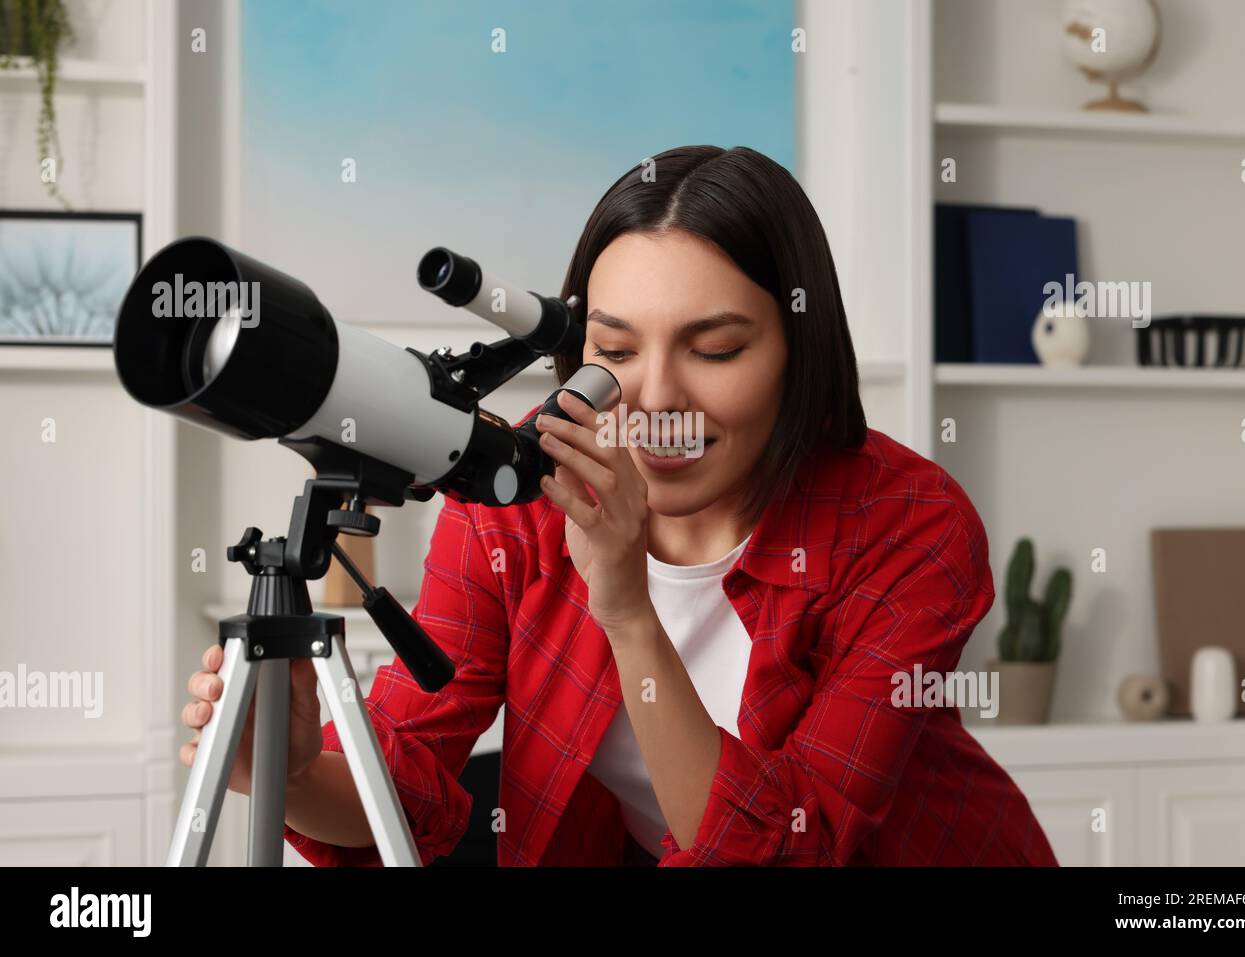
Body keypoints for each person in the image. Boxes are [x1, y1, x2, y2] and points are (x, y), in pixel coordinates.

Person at [180, 145, 1059, 867]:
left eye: (715, 349)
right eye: (615, 349)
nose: (658, 398)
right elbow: (404, 782)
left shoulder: (907, 521)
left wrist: (628, 606)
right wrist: (291, 769)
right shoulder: (514, 494)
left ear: (801, 345)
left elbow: (795, 844)